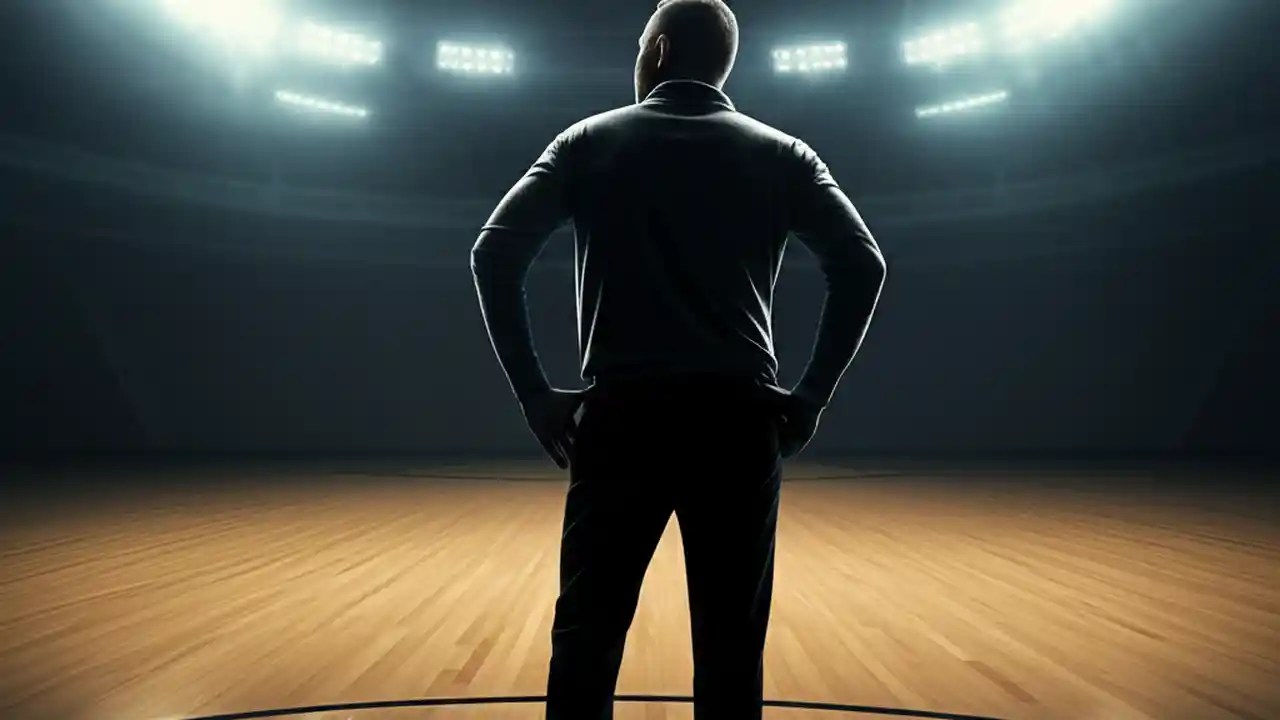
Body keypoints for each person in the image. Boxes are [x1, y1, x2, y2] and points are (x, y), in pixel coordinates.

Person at [470, 0, 886, 716]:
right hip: (737, 423)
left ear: (657, 51)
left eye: (639, 46)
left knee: (587, 639)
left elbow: (493, 254)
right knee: (730, 648)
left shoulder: (587, 142)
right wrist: (811, 396)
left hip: (623, 418)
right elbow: (863, 265)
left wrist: (534, 393)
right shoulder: (784, 154)